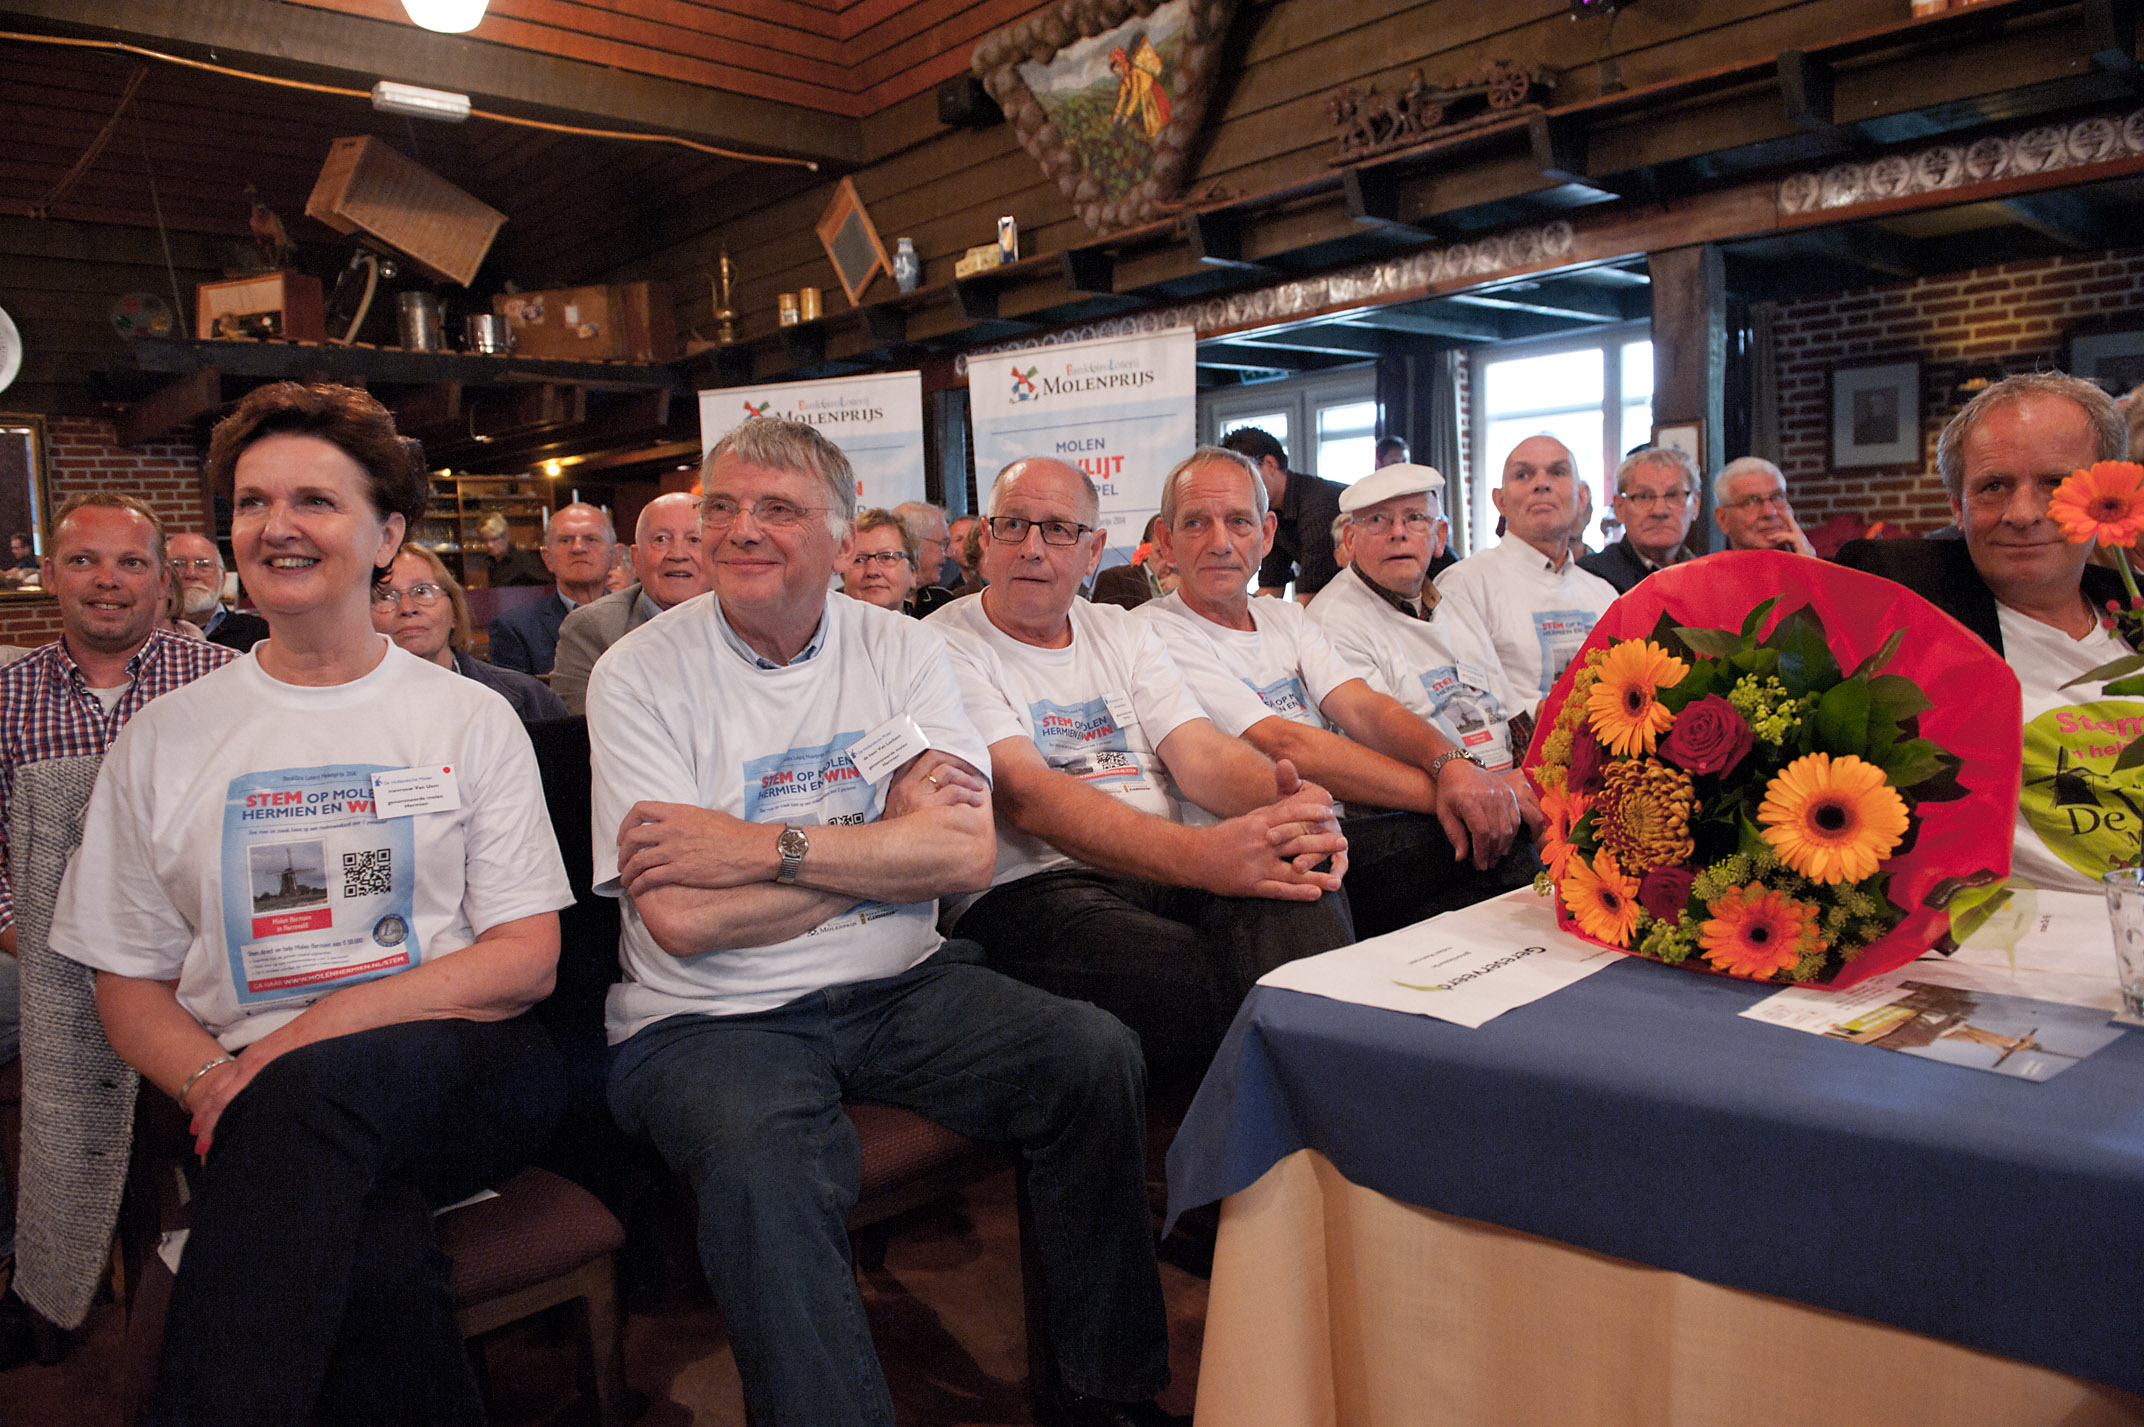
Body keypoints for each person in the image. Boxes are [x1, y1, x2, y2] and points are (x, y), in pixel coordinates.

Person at [589, 418, 1178, 1427]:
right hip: (706, 1019)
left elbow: (963, 853)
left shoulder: (901, 647)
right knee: (769, 1163)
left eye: (775, 508)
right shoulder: (638, 674)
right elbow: (684, 919)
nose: (738, 530)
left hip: (902, 981)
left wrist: (758, 847)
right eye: (721, 506)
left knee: (1090, 1053)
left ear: (836, 529)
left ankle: (1104, 1389)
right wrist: (878, 850)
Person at [47, 383, 572, 1424]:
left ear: (388, 535)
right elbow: (126, 976)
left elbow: (525, 956)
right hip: (246, 1096)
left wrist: (287, 1051)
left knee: (302, 1110)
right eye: (253, 502)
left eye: (315, 501)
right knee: (365, 1245)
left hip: (464, 1064)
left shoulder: (469, 717)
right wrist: (212, 1077)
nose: (278, 525)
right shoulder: (165, 735)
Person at [929, 456, 1353, 1072]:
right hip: (1036, 891)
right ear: (985, 541)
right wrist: (1202, 858)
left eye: (1059, 530)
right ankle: (1303, 1126)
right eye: (1013, 526)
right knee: (1207, 983)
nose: (1032, 548)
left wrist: (1290, 805)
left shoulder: (1119, 631)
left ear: (1094, 549)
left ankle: (1316, 1127)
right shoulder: (942, 643)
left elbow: (1199, 752)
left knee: (1303, 883)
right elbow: (1028, 795)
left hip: (1160, 870)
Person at [0, 493, 233, 1360]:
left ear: (164, 581)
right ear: (52, 576)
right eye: (85, 561)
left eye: (131, 562)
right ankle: (48, 1283)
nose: (107, 580)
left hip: (198, 958)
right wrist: (43, 943)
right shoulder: (8, 696)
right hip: (49, 958)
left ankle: (211, 1275)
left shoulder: (217, 679)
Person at [1139, 448, 1537, 936]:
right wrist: (1463, 790)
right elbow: (1287, 744)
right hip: (1259, 842)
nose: (1220, 542)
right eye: (1197, 524)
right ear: (1166, 539)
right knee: (1482, 829)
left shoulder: (1284, 617)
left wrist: (1454, 765)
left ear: (1266, 535)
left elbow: (1365, 708)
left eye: (1239, 522)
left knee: (1497, 841)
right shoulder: (1156, 629)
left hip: (1346, 831)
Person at [1837, 371, 2132, 896]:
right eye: (1994, 487)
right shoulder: (1910, 618)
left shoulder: (2131, 616)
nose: (2022, 514)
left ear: (2105, 496)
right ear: (1958, 506)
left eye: (2055, 483)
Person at [1307, 464, 1531, 775]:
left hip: (1506, 795)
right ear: (1350, 541)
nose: (1398, 533)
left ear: (1440, 538)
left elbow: (1516, 720)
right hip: (1421, 813)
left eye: (1414, 518)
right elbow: (1381, 751)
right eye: (1377, 520)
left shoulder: (1458, 607)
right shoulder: (1330, 620)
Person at [1433, 434, 1618, 704]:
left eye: (1557, 472)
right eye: (1523, 475)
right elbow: (1457, 704)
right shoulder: (1463, 585)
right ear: (1500, 501)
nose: (1541, 484)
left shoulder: (1605, 595)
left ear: (1581, 496)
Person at [549, 492, 710, 714]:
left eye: (694, 540)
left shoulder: (750, 622)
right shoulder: (591, 629)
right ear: (635, 558)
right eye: (661, 539)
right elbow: (582, 732)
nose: (678, 554)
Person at [373, 541, 566, 721]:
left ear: (455, 613)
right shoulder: (349, 711)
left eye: (423, 591)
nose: (407, 608)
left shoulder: (530, 699)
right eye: (386, 597)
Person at [487, 502, 615, 676]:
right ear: (547, 558)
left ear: (615, 555)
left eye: (591, 539)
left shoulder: (641, 619)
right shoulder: (514, 629)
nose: (578, 548)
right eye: (565, 540)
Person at [1220, 427, 1346, 602]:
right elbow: (1271, 588)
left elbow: (1309, 601)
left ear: (1270, 464)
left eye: (1244, 475)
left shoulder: (1317, 507)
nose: (1237, 486)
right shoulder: (1274, 511)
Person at [1579, 447, 1703, 593]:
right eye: (1644, 496)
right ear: (1619, 507)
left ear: (1695, 503)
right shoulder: (1592, 578)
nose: (1660, 511)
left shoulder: (1707, 575)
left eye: (1673, 495)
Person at [167, 531, 270, 651]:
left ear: (223, 578)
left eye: (203, 564)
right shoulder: (146, 635)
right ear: (162, 577)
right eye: (178, 564)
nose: (191, 573)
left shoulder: (260, 635)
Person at [1713, 456, 1817, 555]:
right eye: (1751, 502)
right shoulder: (1707, 572)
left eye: (1777, 497)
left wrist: (1808, 566)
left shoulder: (1819, 568)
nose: (1770, 512)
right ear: (1722, 519)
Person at [840, 506, 923, 612]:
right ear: (843, 574)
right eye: (859, 560)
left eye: (887, 557)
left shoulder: (928, 627)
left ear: (913, 572)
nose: (872, 571)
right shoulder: (826, 627)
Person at [1091, 513, 1172, 610]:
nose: (1170, 563)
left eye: (1177, 554)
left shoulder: (1187, 584)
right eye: (1161, 553)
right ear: (1143, 546)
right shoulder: (1116, 579)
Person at [895, 500, 960, 618]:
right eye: (943, 544)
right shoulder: (875, 603)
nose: (950, 553)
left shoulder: (945, 604)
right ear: (915, 543)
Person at [471, 512, 550, 587]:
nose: (489, 545)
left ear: (505, 536)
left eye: (494, 539)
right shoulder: (491, 562)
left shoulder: (523, 560)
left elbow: (547, 585)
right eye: (485, 541)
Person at [947, 513, 983, 586]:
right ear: (948, 549)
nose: (967, 545)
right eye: (959, 539)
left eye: (972, 536)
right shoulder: (950, 594)